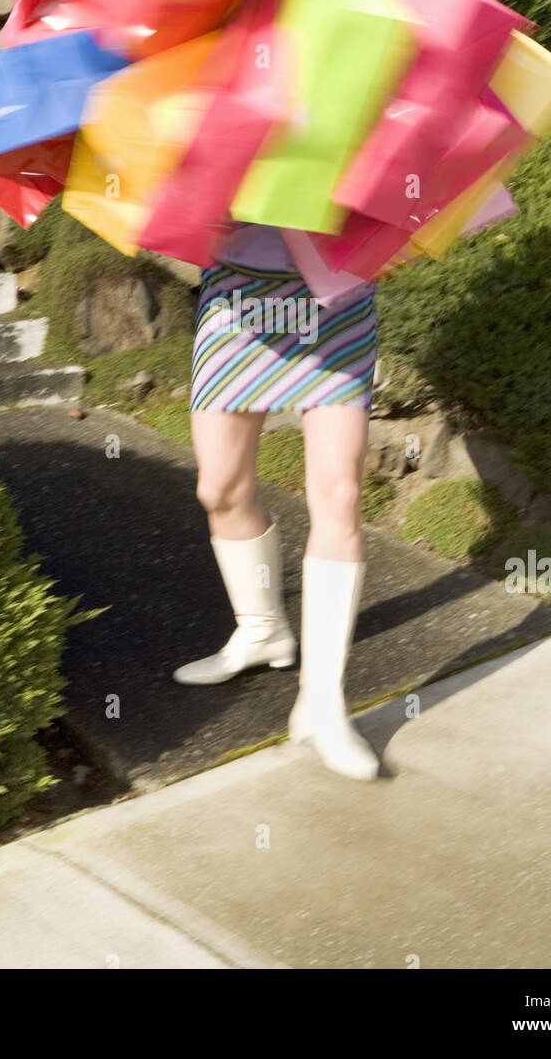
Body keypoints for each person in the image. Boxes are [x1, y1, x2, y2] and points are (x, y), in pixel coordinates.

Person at [173, 219, 379, 780]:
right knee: (220, 489)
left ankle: (322, 698)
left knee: (339, 494)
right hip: (237, 296)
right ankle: (263, 631)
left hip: (335, 292)